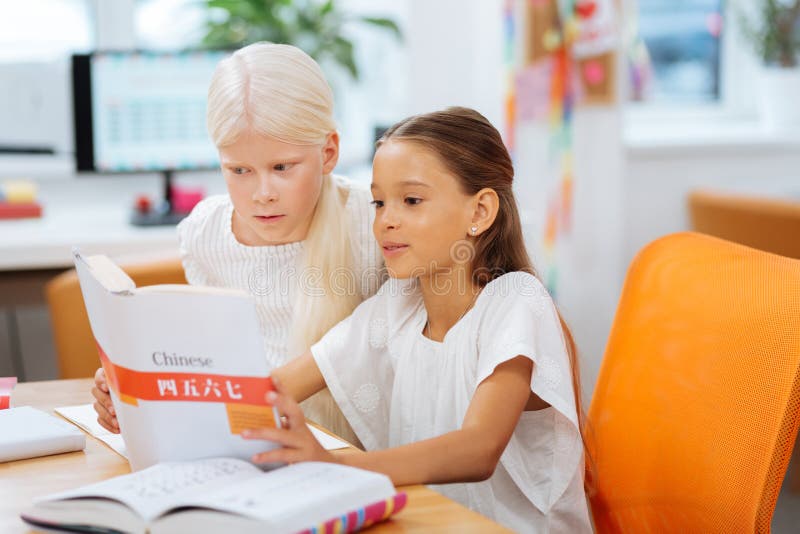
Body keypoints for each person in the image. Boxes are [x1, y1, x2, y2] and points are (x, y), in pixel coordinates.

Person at [243, 107, 593, 532]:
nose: (386, 221)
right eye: (379, 202)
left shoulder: (516, 302)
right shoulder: (399, 304)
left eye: (411, 200)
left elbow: (478, 449)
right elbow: (281, 385)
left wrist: (334, 466)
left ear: (480, 212)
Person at [92, 42, 383, 444]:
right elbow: (210, 358)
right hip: (247, 443)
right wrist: (135, 392)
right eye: (239, 170)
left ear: (329, 152)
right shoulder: (205, 234)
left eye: (282, 167)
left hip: (356, 452)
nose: (263, 194)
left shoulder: (376, 223)